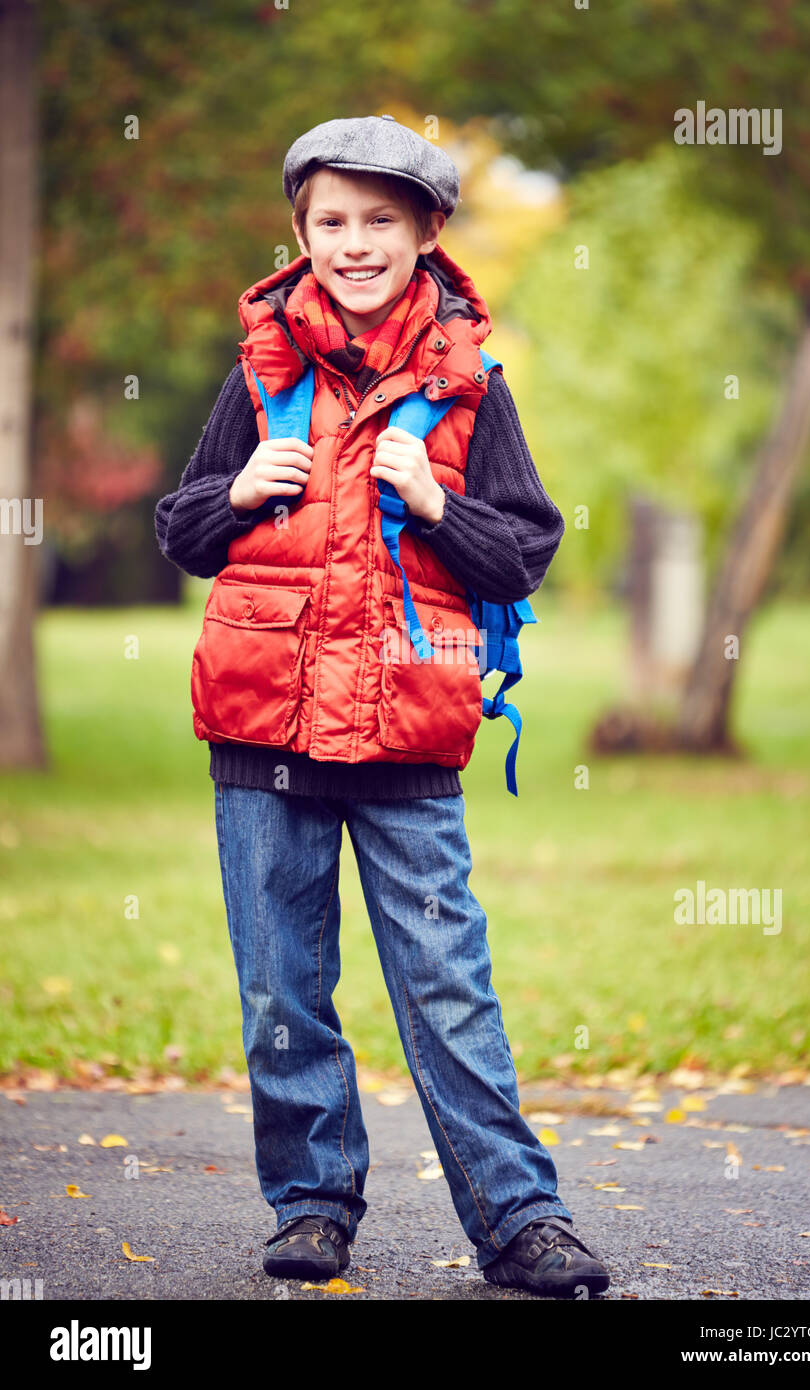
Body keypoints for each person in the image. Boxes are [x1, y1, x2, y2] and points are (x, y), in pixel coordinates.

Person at [155, 114, 610, 1299]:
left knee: (448, 989)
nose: (352, 244)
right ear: (298, 234)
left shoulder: (469, 393)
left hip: (408, 741)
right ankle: (311, 1205)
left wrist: (438, 505)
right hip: (264, 737)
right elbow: (185, 528)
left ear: (426, 232)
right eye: (329, 222)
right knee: (279, 994)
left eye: (377, 221)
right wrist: (238, 489)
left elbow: (522, 550)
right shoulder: (260, 377)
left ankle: (520, 1218)